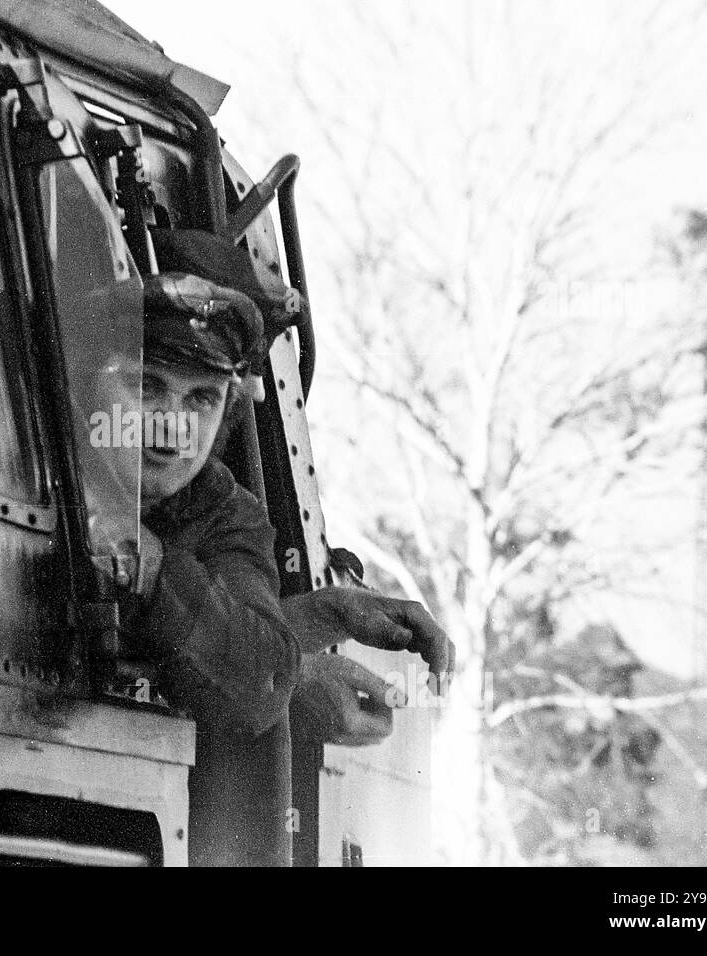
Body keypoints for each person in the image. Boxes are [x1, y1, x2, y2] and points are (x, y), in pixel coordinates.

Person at [122, 228, 454, 863]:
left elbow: (255, 669)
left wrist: (315, 620)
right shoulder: (33, 464)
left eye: (201, 398)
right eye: (146, 387)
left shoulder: (221, 509)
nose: (171, 426)